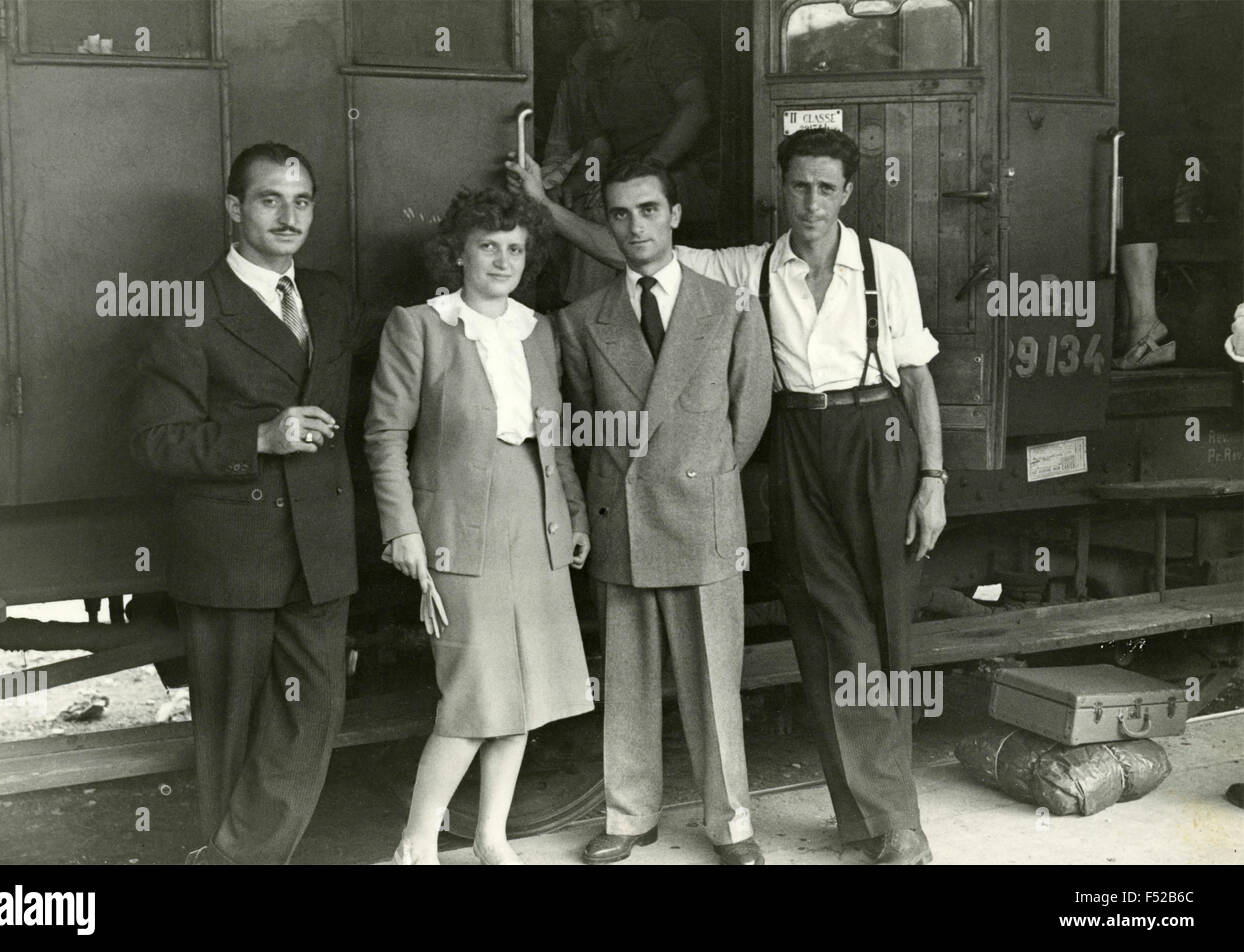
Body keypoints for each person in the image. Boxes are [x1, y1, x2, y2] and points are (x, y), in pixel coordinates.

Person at [509, 127, 947, 865]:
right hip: (803, 446)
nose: (810, 203)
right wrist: (545, 209)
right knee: (826, 634)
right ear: (781, 188)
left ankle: (896, 818)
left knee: (882, 639)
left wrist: (933, 480)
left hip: (881, 440)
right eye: (799, 187)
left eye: (826, 188)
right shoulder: (748, 269)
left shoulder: (886, 266)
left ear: (848, 193)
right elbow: (635, 250)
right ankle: (869, 819)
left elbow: (917, 374)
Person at [132, 142, 373, 864]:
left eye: (303, 200)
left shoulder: (330, 297)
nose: (289, 215)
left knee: (311, 715)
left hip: (321, 545)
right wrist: (259, 436)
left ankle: (235, 857)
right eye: (271, 199)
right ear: (235, 209)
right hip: (234, 551)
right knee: (231, 728)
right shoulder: (189, 307)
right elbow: (154, 441)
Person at [365, 188, 594, 865]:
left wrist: (574, 514)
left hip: (535, 524)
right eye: (487, 246)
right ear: (457, 252)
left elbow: (555, 437)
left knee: (522, 693)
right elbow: (384, 437)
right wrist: (401, 529)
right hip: (459, 534)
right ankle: (418, 840)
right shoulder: (420, 326)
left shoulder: (539, 330)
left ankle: (491, 834)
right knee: (473, 695)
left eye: (515, 248)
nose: (502, 259)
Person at [553, 157, 772, 865]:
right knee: (628, 676)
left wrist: (705, 477)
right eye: (619, 214)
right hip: (625, 514)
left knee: (714, 681)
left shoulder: (731, 303)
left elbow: (751, 411)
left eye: (648, 209)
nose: (634, 225)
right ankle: (629, 815)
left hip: (703, 511)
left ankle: (730, 821)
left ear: (675, 214)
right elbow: (587, 421)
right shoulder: (584, 319)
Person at [541, 0, 715, 302]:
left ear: (633, 9)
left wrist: (649, 169)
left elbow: (695, 109)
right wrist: (570, 188)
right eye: (586, 15)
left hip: (688, 176)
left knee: (602, 209)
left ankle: (589, 316)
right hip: (629, 174)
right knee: (565, 205)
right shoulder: (591, 63)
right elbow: (599, 146)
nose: (595, 24)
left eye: (607, 10)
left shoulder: (663, 38)